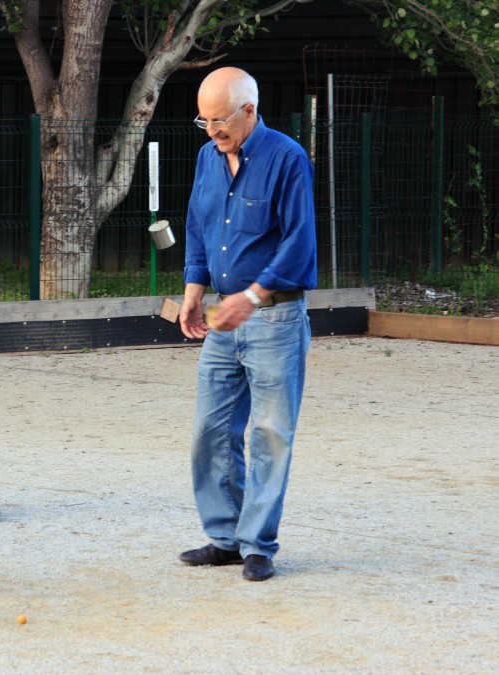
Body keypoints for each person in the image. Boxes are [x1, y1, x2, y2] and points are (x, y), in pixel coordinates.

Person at [176, 67, 317, 581]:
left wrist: (251, 299)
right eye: (204, 120)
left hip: (274, 315)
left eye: (220, 120)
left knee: (269, 433)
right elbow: (198, 223)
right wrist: (195, 290)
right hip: (221, 316)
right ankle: (225, 537)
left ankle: (257, 544)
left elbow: (299, 243)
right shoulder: (206, 158)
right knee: (209, 432)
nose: (212, 130)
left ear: (250, 112)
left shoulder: (286, 158)